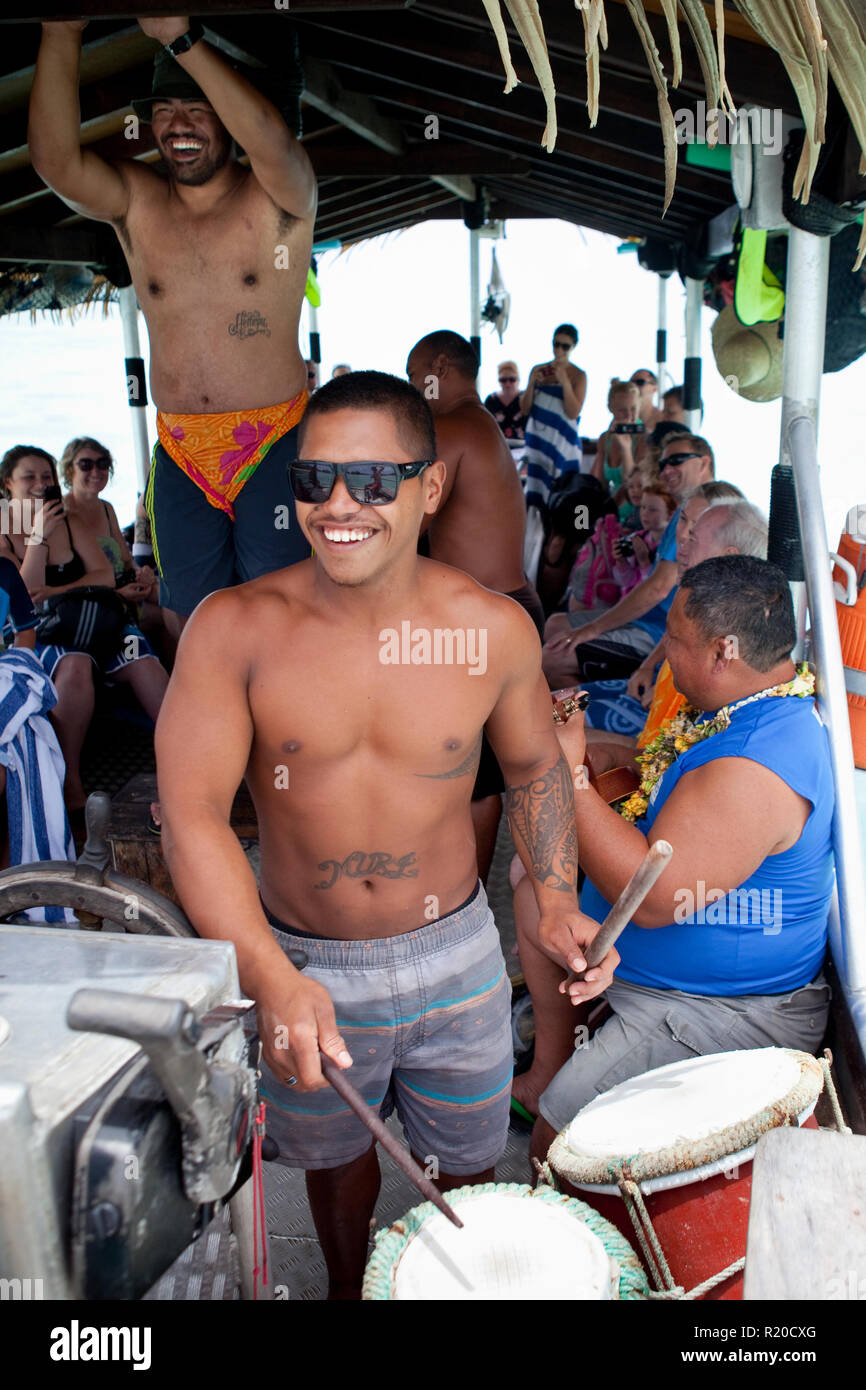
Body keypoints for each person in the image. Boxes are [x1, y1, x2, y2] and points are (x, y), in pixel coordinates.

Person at [155, 371, 614, 1300]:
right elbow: (192, 813)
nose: (338, 506)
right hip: (303, 957)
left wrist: (557, 900)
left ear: (430, 488)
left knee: (468, 1171)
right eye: (314, 479)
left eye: (373, 481)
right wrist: (270, 976)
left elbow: (531, 771)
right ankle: (342, 1289)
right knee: (332, 1164)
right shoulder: (235, 627)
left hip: (456, 958)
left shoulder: (490, 630)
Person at [525, 557, 833, 1165]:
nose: (664, 651)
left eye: (675, 638)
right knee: (539, 890)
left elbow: (655, 900)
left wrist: (567, 769)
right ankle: (551, 1065)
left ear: (723, 652)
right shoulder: (747, 705)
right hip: (680, 982)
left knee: (557, 1145)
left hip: (717, 1010)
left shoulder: (750, 769)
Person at [29, 18, 316, 626]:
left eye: (198, 108)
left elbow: (274, 144)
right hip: (181, 449)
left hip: (274, 439)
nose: (178, 126)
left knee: (284, 612)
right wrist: (61, 30)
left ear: (232, 118)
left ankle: (291, 723)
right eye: (164, 110)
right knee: (190, 618)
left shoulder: (282, 198)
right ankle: (213, 722)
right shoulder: (136, 201)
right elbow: (54, 162)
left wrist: (181, 42)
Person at [406, 330, 545, 881]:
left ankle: (467, 894)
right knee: (478, 765)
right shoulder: (481, 423)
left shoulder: (451, 426)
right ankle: (465, 889)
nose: (416, 389)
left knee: (478, 775)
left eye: (417, 376)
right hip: (504, 606)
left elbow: (410, 521)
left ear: (441, 365)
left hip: (484, 617)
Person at [0, 445, 168, 817]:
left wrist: (58, 591)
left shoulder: (69, 522)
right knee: (74, 665)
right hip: (38, 631)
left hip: (93, 620)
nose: (41, 484)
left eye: (46, 476)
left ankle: (181, 764)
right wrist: (38, 538)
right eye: (30, 477)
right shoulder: (5, 530)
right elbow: (24, 595)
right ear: (7, 482)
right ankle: (71, 780)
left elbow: (104, 575)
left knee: (142, 659)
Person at [542, 434, 715, 687]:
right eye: (662, 464)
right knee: (555, 626)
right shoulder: (683, 512)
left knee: (552, 659)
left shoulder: (706, 513)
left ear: (703, 463)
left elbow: (658, 588)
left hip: (659, 631)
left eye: (677, 461)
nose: (666, 470)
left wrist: (594, 629)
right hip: (649, 619)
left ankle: (574, 718)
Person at [579, 483, 747, 744]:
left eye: (697, 530)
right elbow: (673, 634)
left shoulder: (734, 611)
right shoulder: (690, 590)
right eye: (683, 521)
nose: (682, 536)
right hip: (652, 695)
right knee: (554, 703)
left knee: (552, 725)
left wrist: (670, 689)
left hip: (665, 737)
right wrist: (647, 668)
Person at [61, 436, 156, 606]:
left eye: (103, 463)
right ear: (69, 470)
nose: (96, 471)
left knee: (170, 600)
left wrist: (140, 572)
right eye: (86, 465)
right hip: (89, 602)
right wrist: (117, 594)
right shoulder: (61, 513)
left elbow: (127, 561)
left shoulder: (106, 509)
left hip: (123, 591)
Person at [522, 324, 588, 510]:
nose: (559, 350)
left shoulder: (579, 375)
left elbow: (573, 412)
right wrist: (532, 384)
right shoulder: (539, 369)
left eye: (564, 346)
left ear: (573, 347)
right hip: (540, 440)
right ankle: (537, 536)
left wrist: (564, 381)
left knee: (564, 493)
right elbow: (525, 409)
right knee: (536, 494)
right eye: (556, 344)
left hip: (564, 441)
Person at [591, 379, 643, 495]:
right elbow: (598, 482)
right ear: (611, 408)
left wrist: (625, 448)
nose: (629, 415)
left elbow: (634, 486)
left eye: (633, 409)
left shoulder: (645, 438)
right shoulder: (605, 438)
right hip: (613, 505)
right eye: (622, 410)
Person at [483, 360, 526, 448]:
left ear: (518, 380)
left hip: (523, 447)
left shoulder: (526, 398)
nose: (507, 384)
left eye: (512, 380)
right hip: (496, 447)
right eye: (503, 380)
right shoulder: (491, 400)